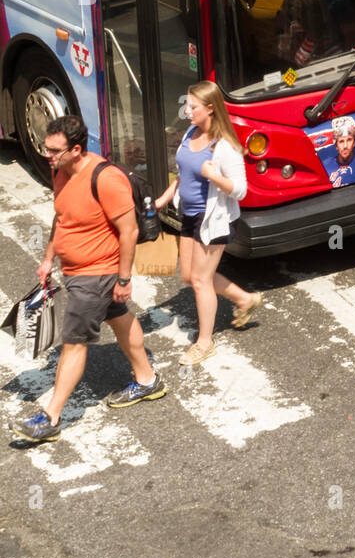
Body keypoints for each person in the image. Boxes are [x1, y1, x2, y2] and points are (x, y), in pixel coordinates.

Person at [14, 116, 164, 444]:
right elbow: (62, 217)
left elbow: (129, 231)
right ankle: (148, 379)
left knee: (73, 341)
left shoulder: (106, 180)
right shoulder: (60, 171)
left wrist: (123, 278)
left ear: (77, 149)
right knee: (120, 319)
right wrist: (48, 257)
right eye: (45, 147)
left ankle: (51, 418)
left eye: (54, 150)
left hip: (96, 274)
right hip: (76, 271)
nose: (46, 155)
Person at [154, 81, 260, 365]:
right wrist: (166, 196)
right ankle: (244, 299)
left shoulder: (225, 147)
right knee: (189, 276)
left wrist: (214, 177)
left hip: (213, 221)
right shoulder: (191, 132)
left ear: (210, 109)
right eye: (187, 105)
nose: (187, 111)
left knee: (201, 280)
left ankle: (205, 342)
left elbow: (240, 190)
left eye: (193, 107)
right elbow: (182, 173)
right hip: (188, 215)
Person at [322, 115, 355, 188]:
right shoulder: (326, 167)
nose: (345, 146)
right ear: (336, 146)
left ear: (354, 143)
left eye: (349, 140)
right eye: (341, 141)